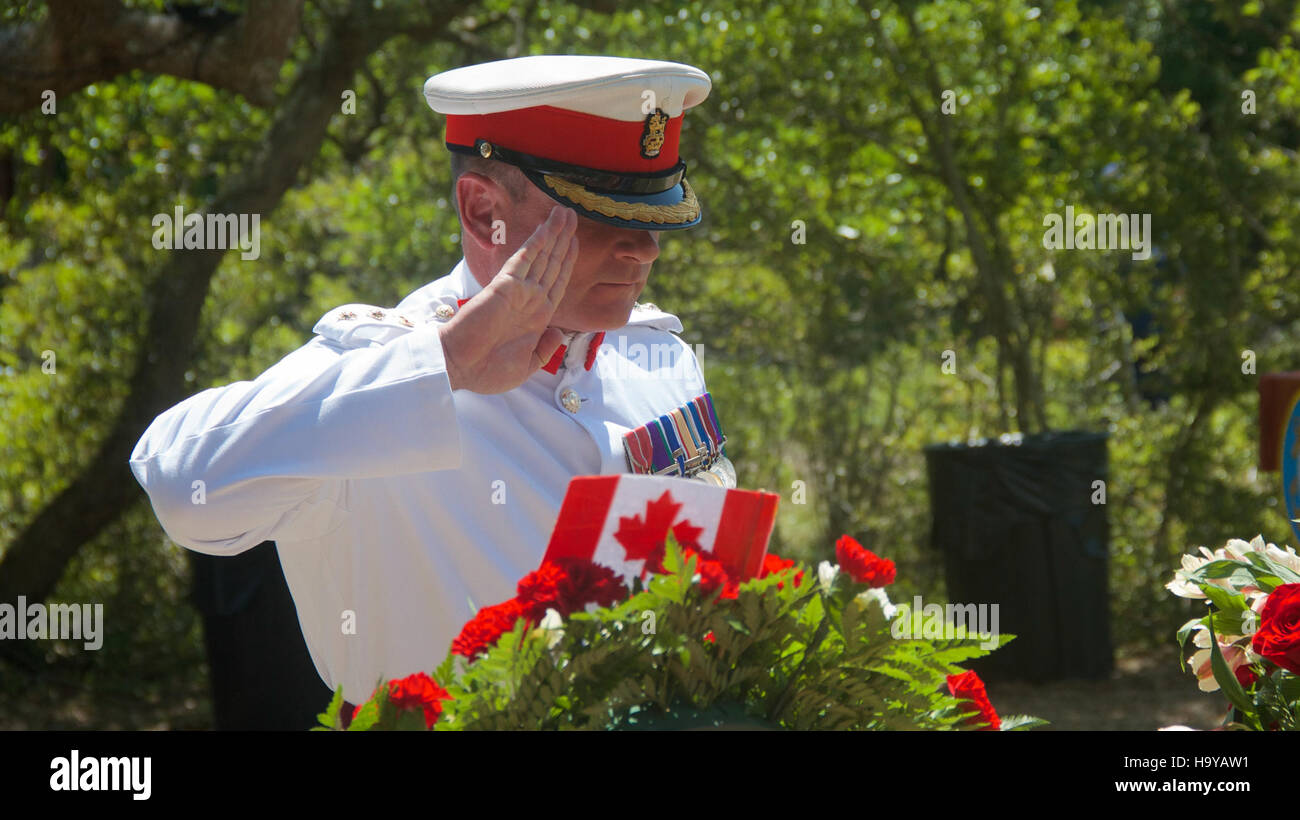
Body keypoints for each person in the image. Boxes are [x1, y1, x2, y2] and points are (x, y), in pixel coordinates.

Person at [129, 55, 733, 703]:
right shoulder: (381, 367)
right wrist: (444, 363)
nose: (644, 249)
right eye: (602, 216)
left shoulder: (662, 355)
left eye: (653, 218)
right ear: (482, 211)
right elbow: (179, 484)